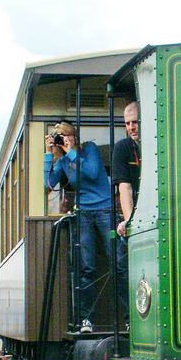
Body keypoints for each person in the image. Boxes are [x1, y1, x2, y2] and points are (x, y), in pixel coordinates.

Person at [44, 121, 125, 333]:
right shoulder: (63, 161)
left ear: (74, 136)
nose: (65, 140)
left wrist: (71, 152)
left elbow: (92, 172)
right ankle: (86, 319)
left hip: (105, 210)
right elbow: (49, 184)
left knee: (118, 263)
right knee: (86, 268)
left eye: (67, 135)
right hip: (84, 214)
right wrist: (48, 154)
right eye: (60, 137)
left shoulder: (89, 149)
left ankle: (129, 317)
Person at [113, 102, 141, 238]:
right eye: (127, 123)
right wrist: (129, 221)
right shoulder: (122, 147)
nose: (131, 127)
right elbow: (124, 187)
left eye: (135, 122)